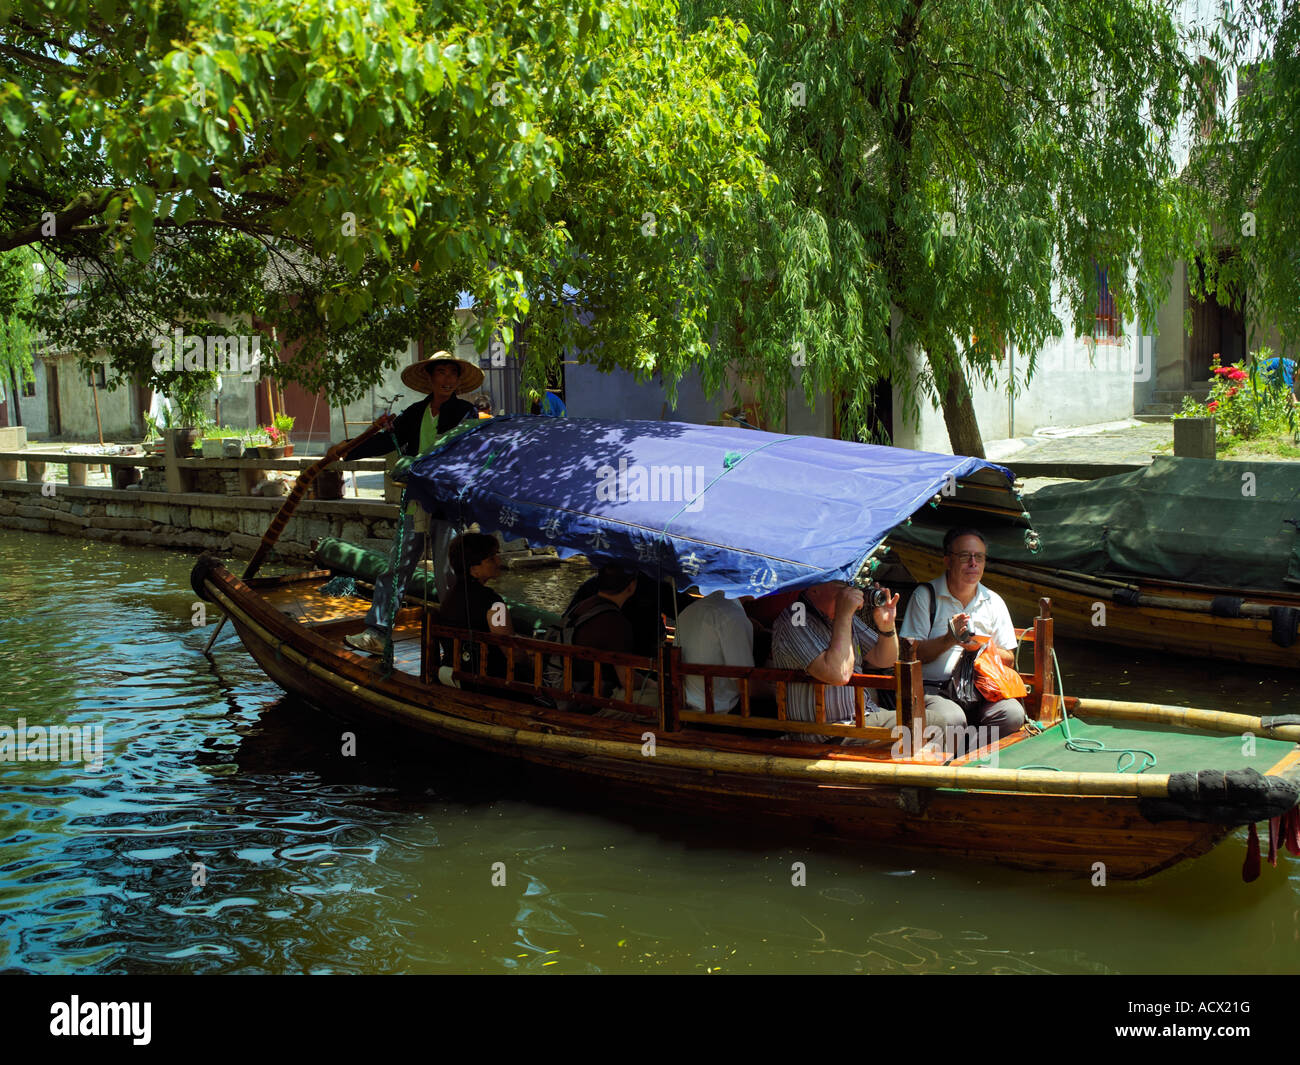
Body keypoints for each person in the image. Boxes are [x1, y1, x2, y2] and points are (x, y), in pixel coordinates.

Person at [344, 351, 483, 655]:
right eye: (441, 373)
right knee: (398, 567)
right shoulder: (414, 412)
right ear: (431, 379)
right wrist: (347, 450)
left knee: (449, 573)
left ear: (458, 381)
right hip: (416, 501)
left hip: (449, 504)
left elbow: (465, 452)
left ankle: (457, 642)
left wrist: (427, 465)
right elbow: (384, 442)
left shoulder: (465, 413)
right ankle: (377, 633)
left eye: (452, 374)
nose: (447, 380)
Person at [898, 527, 1026, 744]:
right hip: (933, 689)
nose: (973, 563)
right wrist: (950, 638)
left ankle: (976, 761)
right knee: (952, 718)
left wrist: (981, 649)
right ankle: (952, 766)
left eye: (979, 557)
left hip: (981, 690)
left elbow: (1009, 660)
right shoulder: (926, 596)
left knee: (1012, 713)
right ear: (948, 561)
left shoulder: (993, 601)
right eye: (965, 556)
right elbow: (910, 655)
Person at [771, 581, 914, 740]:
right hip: (830, 732)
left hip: (861, 717)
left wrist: (886, 626)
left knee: (938, 710)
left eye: (850, 584)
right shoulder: (795, 618)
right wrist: (844, 614)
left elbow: (884, 660)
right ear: (814, 588)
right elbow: (839, 674)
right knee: (931, 722)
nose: (849, 593)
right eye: (841, 587)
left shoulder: (839, 616)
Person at [568, 565, 657, 703]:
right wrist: (652, 684)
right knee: (665, 702)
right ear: (631, 586)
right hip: (590, 700)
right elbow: (628, 681)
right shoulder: (616, 622)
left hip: (566, 688)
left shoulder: (582, 606)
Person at [438, 532, 512, 681]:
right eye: (491, 558)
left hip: (448, 672)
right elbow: (510, 649)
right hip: (485, 681)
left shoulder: (449, 596)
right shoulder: (494, 603)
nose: (498, 561)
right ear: (474, 569)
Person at [677, 591, 755, 711]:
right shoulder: (733, 616)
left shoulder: (688, 611)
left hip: (685, 704)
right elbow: (744, 681)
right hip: (719, 708)